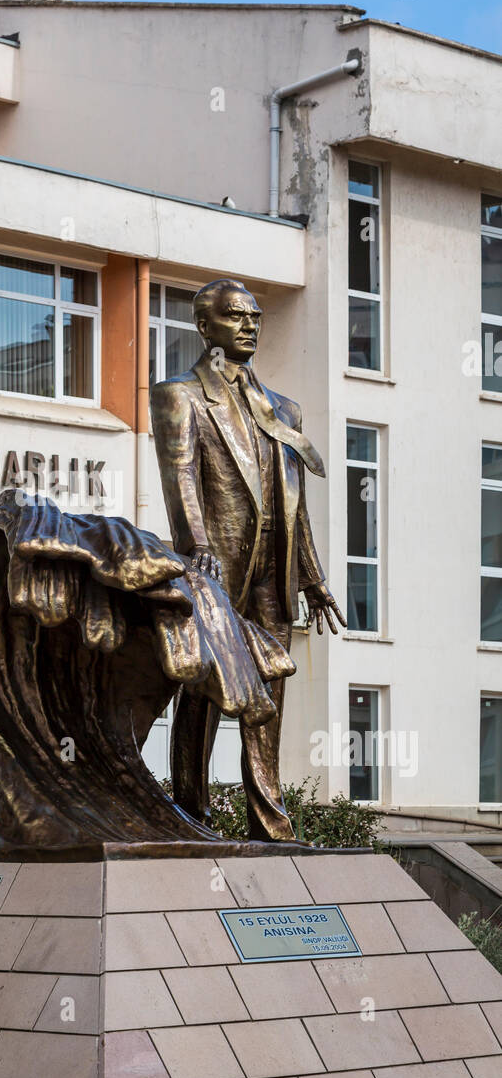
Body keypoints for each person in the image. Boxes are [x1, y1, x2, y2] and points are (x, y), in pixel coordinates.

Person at [150, 277, 345, 841]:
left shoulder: (283, 410)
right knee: (204, 685)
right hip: (216, 565)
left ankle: (268, 822)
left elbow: (293, 503)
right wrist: (197, 547)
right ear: (204, 326)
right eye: (236, 316)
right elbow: (181, 476)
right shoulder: (180, 396)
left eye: (255, 316)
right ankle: (191, 809)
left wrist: (311, 575)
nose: (250, 324)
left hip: (273, 571)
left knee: (270, 689)